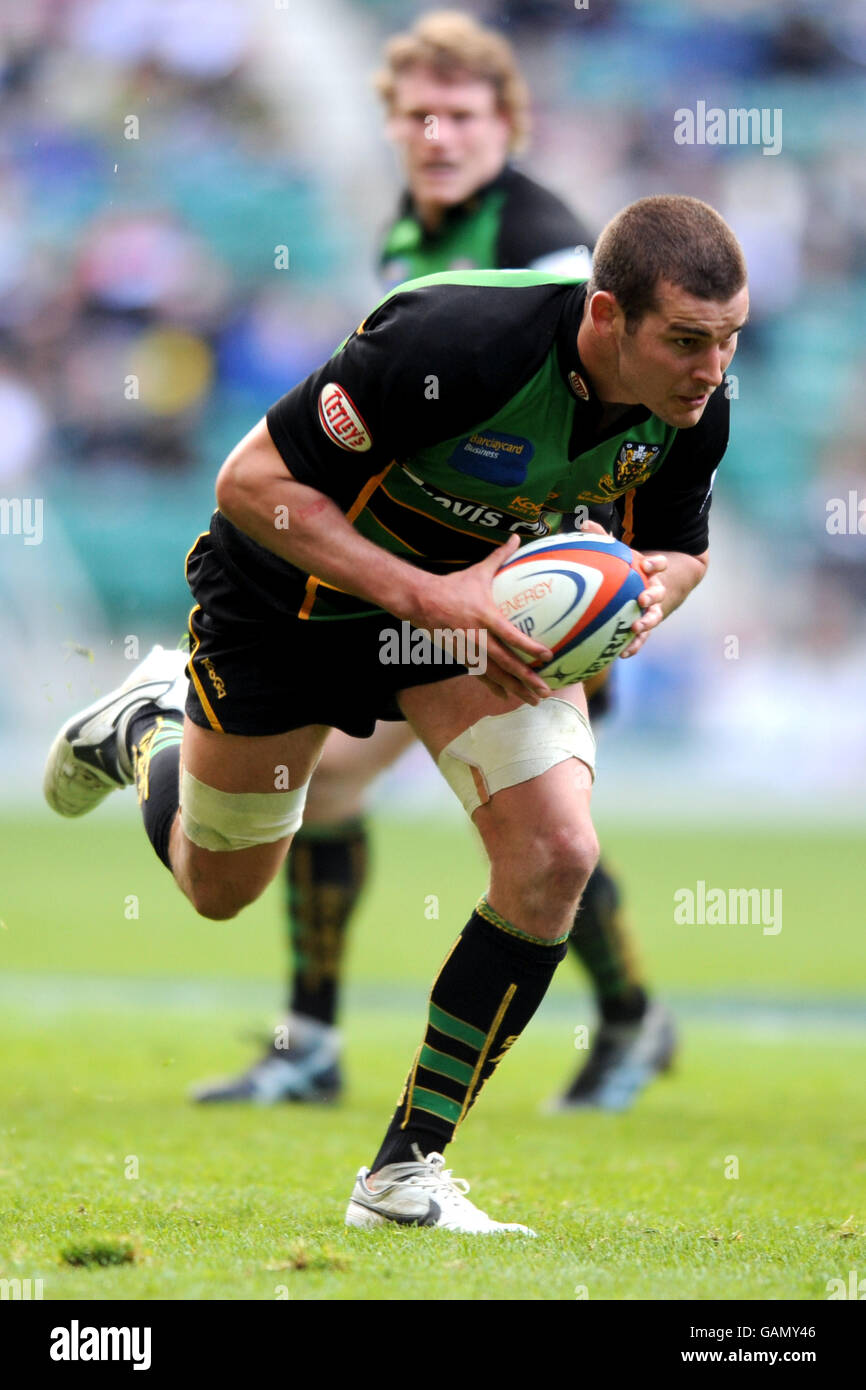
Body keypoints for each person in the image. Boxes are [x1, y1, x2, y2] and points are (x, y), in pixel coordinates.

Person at [44, 194, 748, 1232]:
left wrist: (656, 588)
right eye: (685, 341)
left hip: (476, 621)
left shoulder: (692, 407)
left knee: (555, 855)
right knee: (219, 883)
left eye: (728, 342)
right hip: (293, 600)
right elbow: (250, 482)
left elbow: (679, 548)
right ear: (605, 316)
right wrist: (426, 595)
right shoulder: (451, 340)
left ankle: (403, 1171)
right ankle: (148, 724)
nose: (709, 368)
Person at [193, 9, 675, 1113]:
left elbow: (605, 432)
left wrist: (594, 610)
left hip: (522, 592)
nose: (437, 136)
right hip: (434, 586)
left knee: (500, 818)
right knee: (460, 813)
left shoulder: (551, 255)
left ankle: (326, 1038)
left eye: (462, 116)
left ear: (512, 122)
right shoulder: (413, 234)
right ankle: (611, 1018)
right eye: (417, 116)